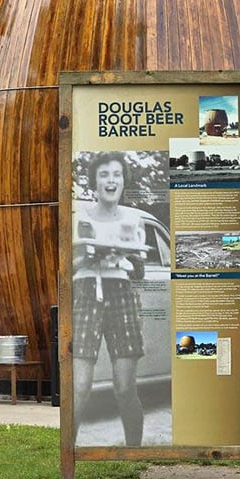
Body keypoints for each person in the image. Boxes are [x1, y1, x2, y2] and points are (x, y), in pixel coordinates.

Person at [72, 151, 148, 446]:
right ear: (95, 181)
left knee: (124, 387)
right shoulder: (80, 217)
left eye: (116, 174)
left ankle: (134, 453)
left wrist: (126, 255)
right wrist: (89, 255)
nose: (110, 180)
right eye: (104, 175)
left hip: (121, 293)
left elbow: (139, 269)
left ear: (123, 181)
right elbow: (69, 265)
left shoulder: (133, 217)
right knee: (79, 386)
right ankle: (71, 450)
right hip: (86, 291)